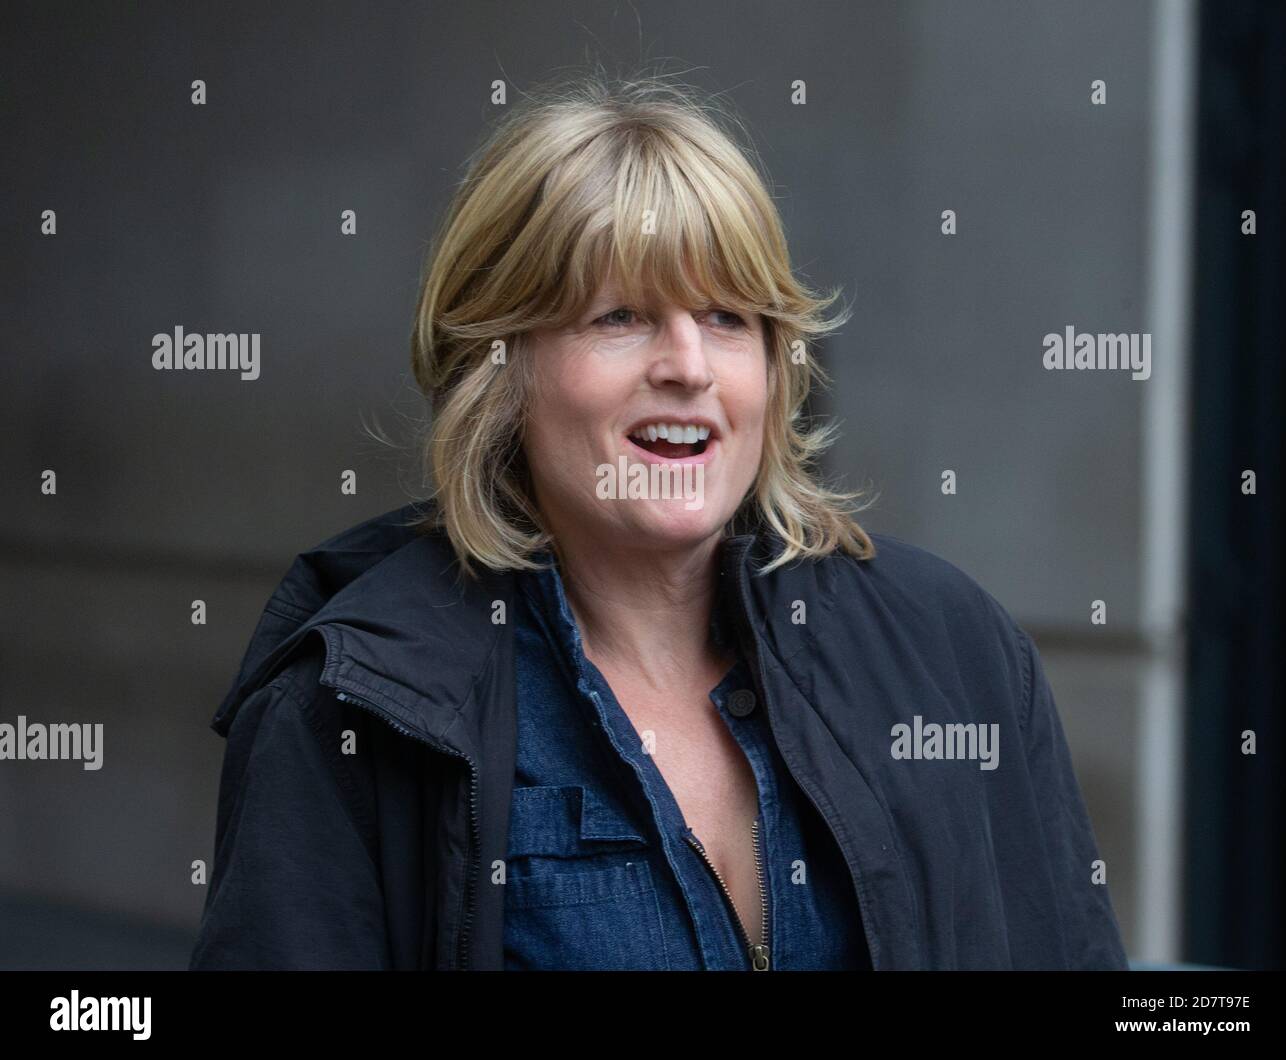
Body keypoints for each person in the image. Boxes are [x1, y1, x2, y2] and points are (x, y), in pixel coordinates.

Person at [188, 73, 1128, 971]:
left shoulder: (952, 651)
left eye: (728, 317)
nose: (689, 365)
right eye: (621, 316)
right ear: (498, 367)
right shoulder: (354, 708)